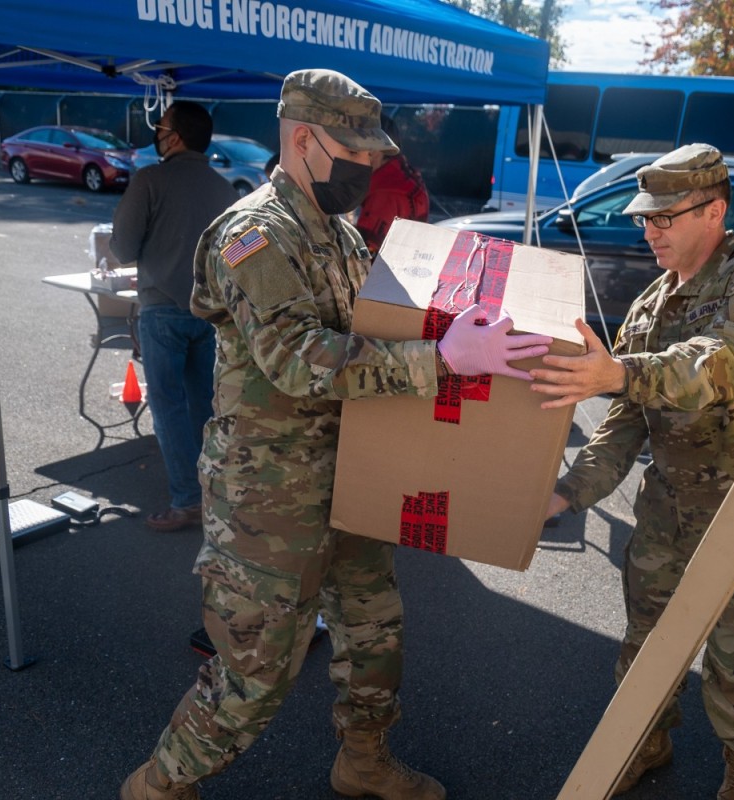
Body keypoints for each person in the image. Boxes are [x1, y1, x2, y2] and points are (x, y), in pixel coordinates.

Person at [118, 68, 552, 800]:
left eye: (372, 154)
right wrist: (441, 360)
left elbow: (375, 324)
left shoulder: (338, 233)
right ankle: (161, 783)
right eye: (353, 153)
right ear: (304, 139)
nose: (366, 168)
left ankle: (363, 761)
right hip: (270, 498)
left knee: (375, 633)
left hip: (351, 475)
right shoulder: (254, 234)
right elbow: (297, 359)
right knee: (255, 672)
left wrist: (456, 321)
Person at [530, 144, 734, 800]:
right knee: (645, 647)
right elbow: (625, 424)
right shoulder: (648, 305)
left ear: (714, 211)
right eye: (645, 219)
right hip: (670, 511)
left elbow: (724, 361)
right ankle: (647, 744)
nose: (650, 231)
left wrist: (620, 373)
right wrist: (565, 494)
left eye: (664, 218)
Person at [110, 101, 238, 532]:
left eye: (161, 127)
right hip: (210, 312)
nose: (157, 133)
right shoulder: (225, 189)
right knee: (206, 406)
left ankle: (186, 500)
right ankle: (213, 495)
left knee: (168, 408)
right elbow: (237, 255)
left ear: (176, 137)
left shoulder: (150, 180)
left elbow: (123, 248)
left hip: (162, 309)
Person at [354, 113, 429, 256]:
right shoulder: (402, 174)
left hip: (387, 270)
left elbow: (364, 254)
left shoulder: (385, 193)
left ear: (374, 150)